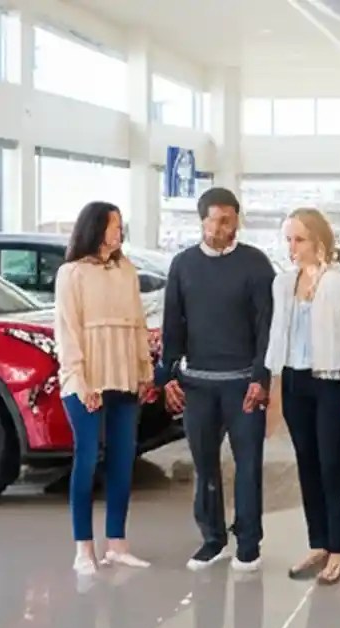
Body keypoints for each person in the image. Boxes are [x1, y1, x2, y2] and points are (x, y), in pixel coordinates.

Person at [160, 188, 276, 573]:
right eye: (217, 219)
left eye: (231, 219)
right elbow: (173, 323)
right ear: (202, 221)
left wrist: (262, 378)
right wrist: (167, 376)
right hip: (198, 386)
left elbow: (266, 329)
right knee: (205, 465)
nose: (224, 227)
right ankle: (212, 539)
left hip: (244, 385)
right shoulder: (183, 265)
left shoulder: (256, 265)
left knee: (248, 465)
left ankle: (248, 542)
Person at [265, 208, 340, 585]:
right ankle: (318, 541)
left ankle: (339, 548)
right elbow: (278, 336)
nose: (292, 247)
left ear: (319, 240)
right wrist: (274, 382)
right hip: (295, 381)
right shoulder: (283, 283)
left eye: (299, 239)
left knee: (331, 463)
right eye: (288, 239)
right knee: (306, 463)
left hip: (331, 381)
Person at [54, 201, 154, 576]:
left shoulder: (126, 270)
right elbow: (67, 331)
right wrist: (81, 382)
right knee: (85, 460)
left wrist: (145, 371)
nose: (120, 231)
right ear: (96, 228)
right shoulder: (71, 274)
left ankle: (117, 544)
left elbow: (138, 324)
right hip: (87, 381)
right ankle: (83, 549)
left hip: (125, 376)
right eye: (114, 225)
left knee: (122, 460)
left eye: (121, 225)